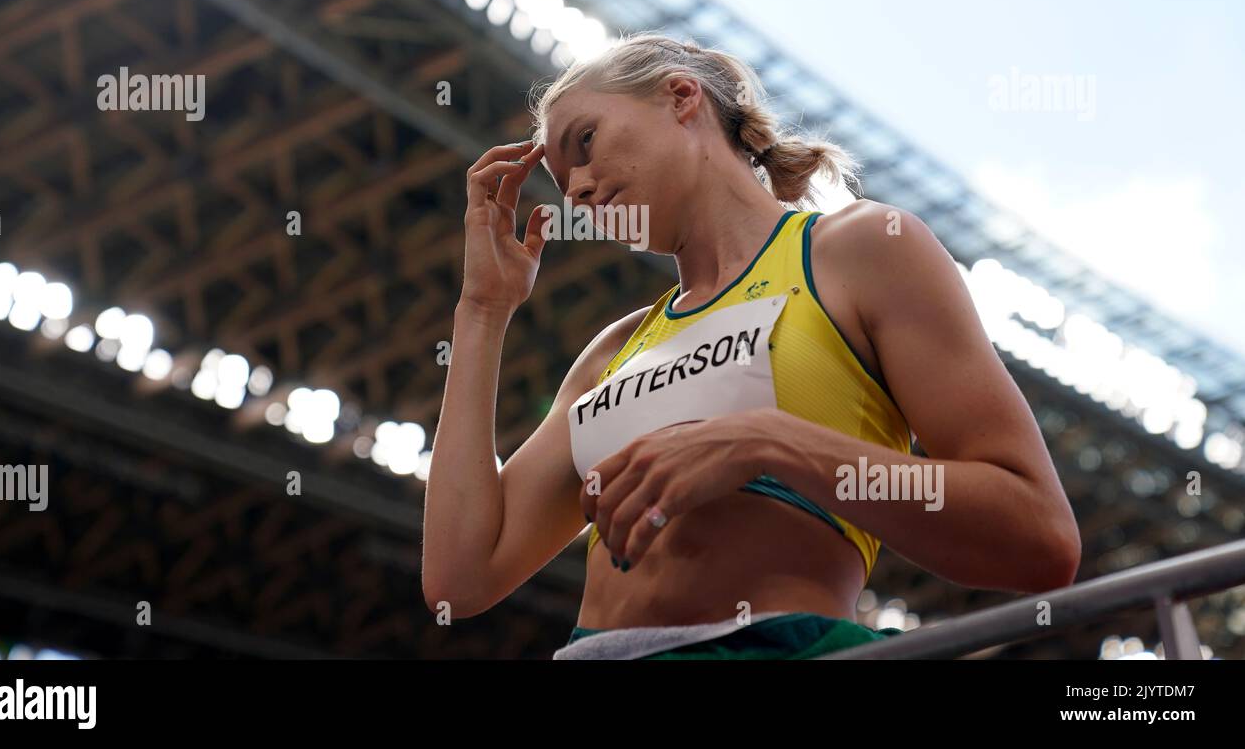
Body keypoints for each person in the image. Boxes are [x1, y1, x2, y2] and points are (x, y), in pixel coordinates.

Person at [422, 32, 1081, 659]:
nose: (579, 190)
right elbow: (459, 581)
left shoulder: (858, 251)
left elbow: (1039, 534)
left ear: (682, 97)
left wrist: (767, 443)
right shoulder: (613, 350)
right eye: (565, 183)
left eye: (586, 142)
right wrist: (482, 310)